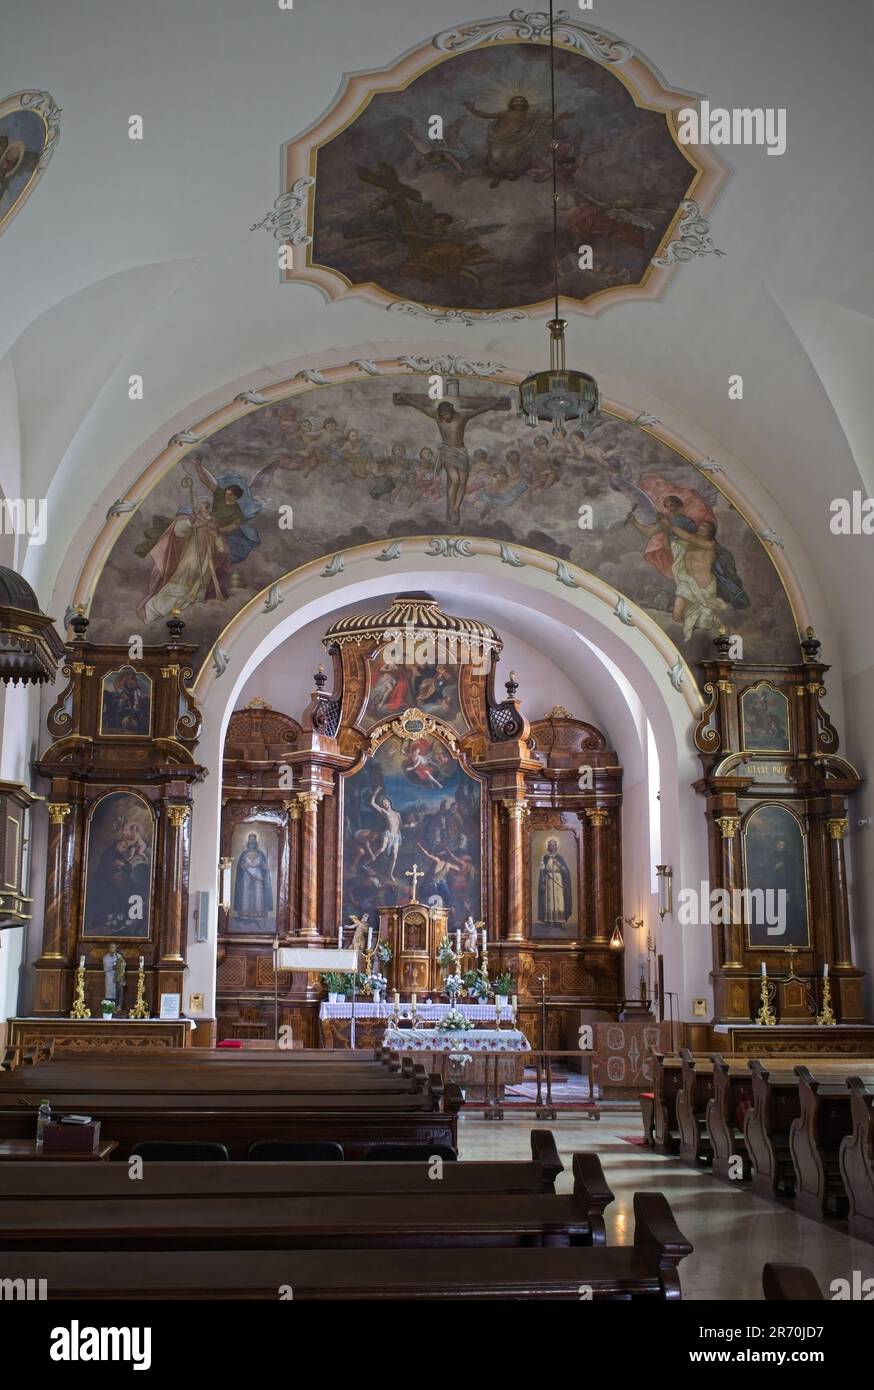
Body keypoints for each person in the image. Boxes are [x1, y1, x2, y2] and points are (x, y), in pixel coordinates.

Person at [233, 832, 273, 924]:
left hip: (258, 877)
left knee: (258, 894)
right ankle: (245, 916)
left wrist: (264, 866)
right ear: (248, 841)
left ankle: (257, 916)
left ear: (256, 841)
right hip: (246, 877)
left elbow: (264, 867)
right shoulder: (244, 854)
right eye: (250, 840)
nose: (252, 842)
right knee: (246, 895)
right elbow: (240, 866)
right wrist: (244, 866)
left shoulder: (261, 854)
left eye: (253, 840)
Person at [538, 838, 573, 926]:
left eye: (554, 845)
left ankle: (561, 921)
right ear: (548, 847)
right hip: (549, 880)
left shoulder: (560, 858)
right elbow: (542, 870)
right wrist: (542, 881)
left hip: (558, 880)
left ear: (556, 847)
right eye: (550, 845)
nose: (552, 847)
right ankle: (550, 920)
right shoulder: (545, 857)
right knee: (549, 900)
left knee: (559, 900)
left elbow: (565, 871)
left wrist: (559, 865)